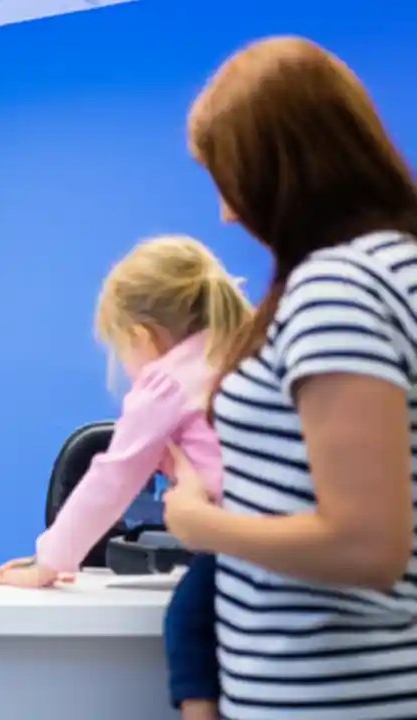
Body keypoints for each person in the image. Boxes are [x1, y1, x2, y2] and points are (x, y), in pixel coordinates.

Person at [162, 36, 417, 720]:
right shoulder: (396, 265)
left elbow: (367, 544)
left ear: (277, 168)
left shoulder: (338, 287)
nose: (226, 211)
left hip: (331, 700)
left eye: (227, 177)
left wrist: (201, 524)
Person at [0, 235, 251, 719]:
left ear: (143, 337)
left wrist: (50, 560)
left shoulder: (166, 383)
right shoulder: (239, 354)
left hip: (236, 542)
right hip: (278, 528)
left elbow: (112, 478)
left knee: (188, 621)